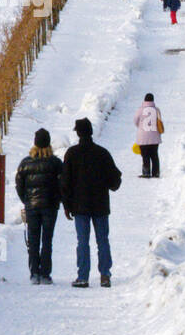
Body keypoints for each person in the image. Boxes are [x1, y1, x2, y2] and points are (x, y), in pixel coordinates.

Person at [60, 117, 122, 288]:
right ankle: (105, 275)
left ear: (78, 133)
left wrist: (66, 205)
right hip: (100, 205)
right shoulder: (102, 153)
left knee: (82, 242)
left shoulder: (71, 154)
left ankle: (83, 276)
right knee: (102, 240)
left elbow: (65, 182)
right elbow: (115, 180)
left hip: (80, 206)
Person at [14, 128, 62, 284]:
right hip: (50, 206)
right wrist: (57, 200)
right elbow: (62, 184)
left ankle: (34, 273)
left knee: (33, 240)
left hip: (32, 207)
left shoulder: (25, 164)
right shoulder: (55, 163)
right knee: (47, 240)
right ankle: (46, 274)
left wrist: (26, 200)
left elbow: (19, 185)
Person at [133, 93, 163, 178]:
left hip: (143, 137)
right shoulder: (157, 110)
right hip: (155, 136)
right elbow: (159, 121)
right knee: (154, 155)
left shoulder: (140, 110)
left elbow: (135, 121)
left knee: (145, 155)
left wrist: (141, 127)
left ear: (144, 100)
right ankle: (156, 173)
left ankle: (146, 173)